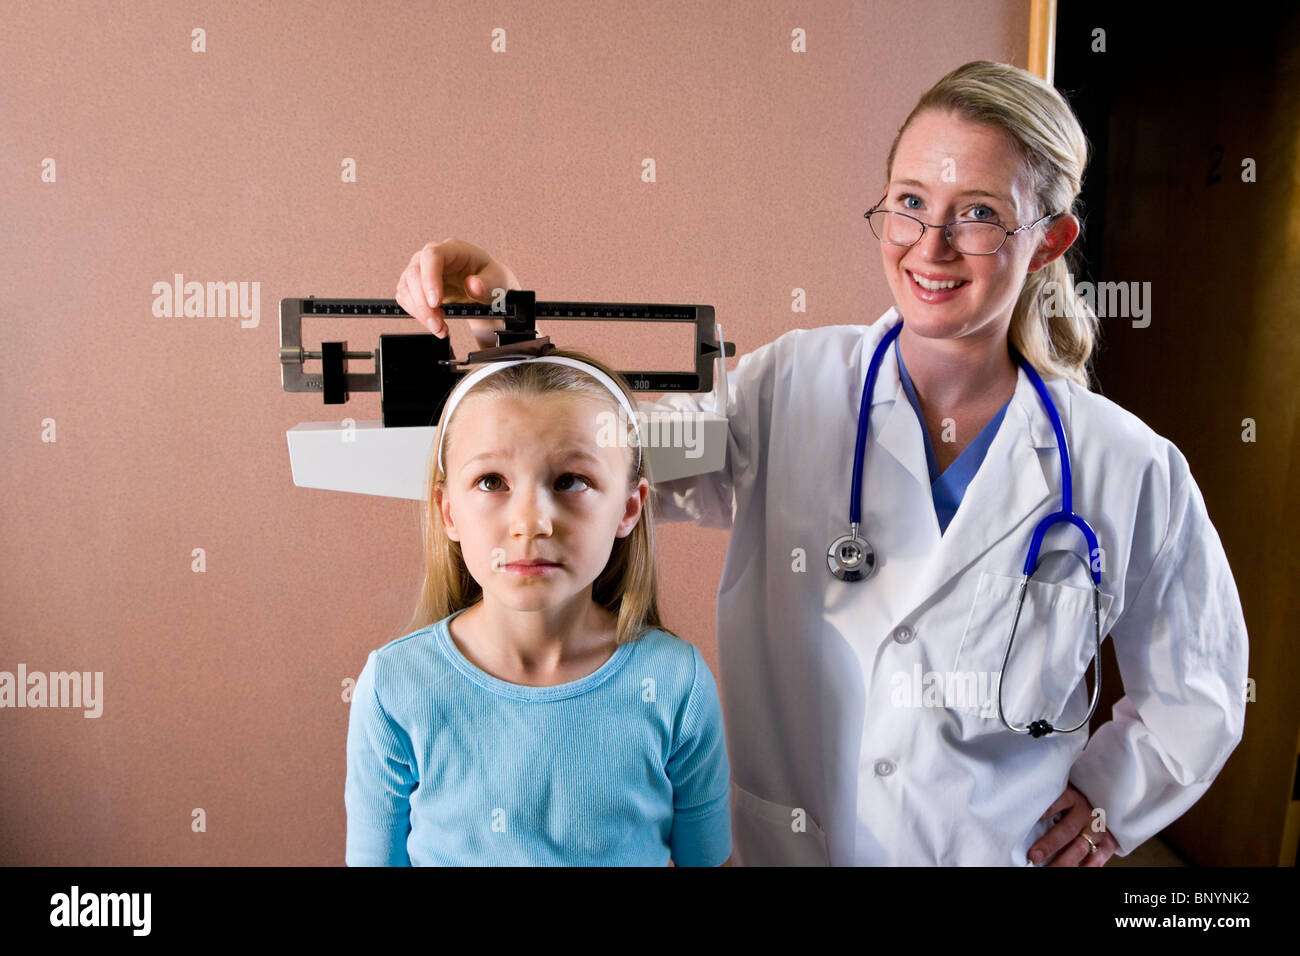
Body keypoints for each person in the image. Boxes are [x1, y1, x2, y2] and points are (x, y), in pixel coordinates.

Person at [394, 60, 1248, 866]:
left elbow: (1202, 690)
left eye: (979, 213)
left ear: (1052, 238)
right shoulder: (788, 387)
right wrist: (511, 336)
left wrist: (1108, 803)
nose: (931, 245)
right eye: (910, 201)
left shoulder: (1126, 467)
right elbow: (605, 461)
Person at [344, 346, 732, 866]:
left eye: (570, 481)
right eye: (491, 482)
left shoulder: (676, 684)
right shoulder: (394, 686)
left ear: (628, 507)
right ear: (448, 512)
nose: (531, 522)